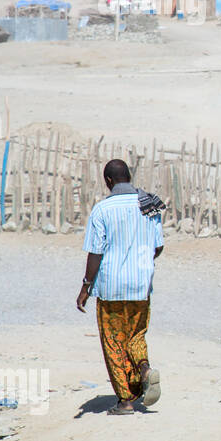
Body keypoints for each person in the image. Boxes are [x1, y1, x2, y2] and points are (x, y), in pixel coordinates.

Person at [76, 160, 165, 415]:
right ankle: (145, 369)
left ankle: (126, 400)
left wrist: (85, 287)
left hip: (111, 287)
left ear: (108, 181)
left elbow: (95, 253)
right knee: (136, 335)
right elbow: (157, 246)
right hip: (141, 286)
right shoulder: (148, 206)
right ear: (129, 177)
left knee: (114, 341)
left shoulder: (102, 210)